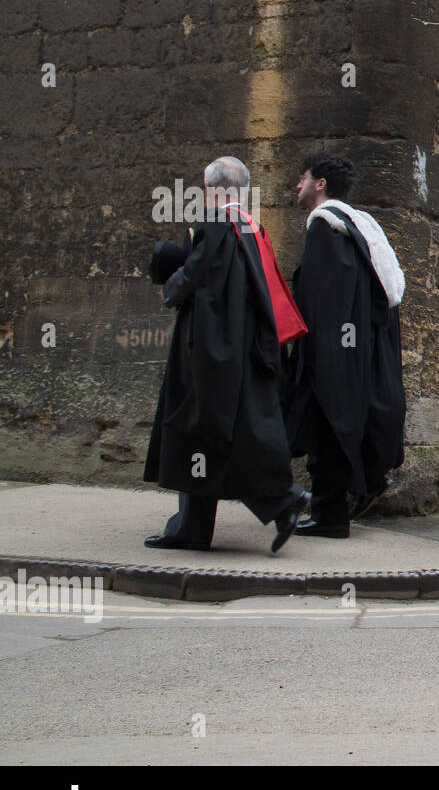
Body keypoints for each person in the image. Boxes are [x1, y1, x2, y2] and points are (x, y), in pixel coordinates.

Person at [143, 156, 309, 553]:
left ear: (212, 188)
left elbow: (198, 276)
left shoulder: (217, 224)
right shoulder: (253, 228)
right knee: (228, 437)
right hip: (247, 350)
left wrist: (170, 283)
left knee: (200, 430)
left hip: (211, 352)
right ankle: (273, 504)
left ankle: (214, 521)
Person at [283, 153, 407, 538]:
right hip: (359, 348)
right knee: (338, 422)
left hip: (332, 349)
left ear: (320, 183)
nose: (296, 186)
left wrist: (317, 355)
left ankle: (330, 515)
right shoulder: (361, 228)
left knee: (326, 423)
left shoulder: (326, 228)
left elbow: (326, 299)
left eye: (302, 178)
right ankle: (339, 504)